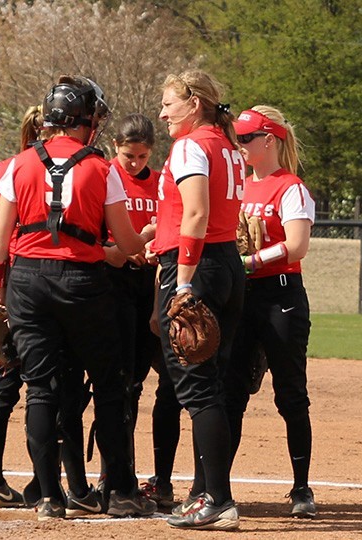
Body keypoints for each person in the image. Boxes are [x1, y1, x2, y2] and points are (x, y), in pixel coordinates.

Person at [0, 75, 157, 520]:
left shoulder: (19, 164)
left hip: (26, 281)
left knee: (41, 389)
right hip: (84, 282)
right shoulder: (101, 169)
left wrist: (1, 295)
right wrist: (142, 239)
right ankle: (119, 492)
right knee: (108, 385)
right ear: (86, 121)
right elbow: (127, 243)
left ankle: (48, 497)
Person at [152, 69, 246, 531]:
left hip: (199, 264)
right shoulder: (227, 145)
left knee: (196, 386)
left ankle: (218, 499)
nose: (163, 111)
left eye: (169, 102)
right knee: (214, 381)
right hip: (228, 262)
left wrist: (183, 280)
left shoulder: (192, 145)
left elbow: (196, 212)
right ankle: (204, 490)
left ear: (193, 103)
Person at [225, 106, 317, 518]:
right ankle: (218, 489)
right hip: (242, 298)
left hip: (282, 297)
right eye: (238, 139)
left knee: (291, 395)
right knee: (231, 395)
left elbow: (297, 247)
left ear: (270, 140)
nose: (240, 145)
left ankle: (301, 489)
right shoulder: (239, 186)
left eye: (247, 138)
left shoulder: (291, 187)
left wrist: (250, 261)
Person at [99, 113, 180, 509]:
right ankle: (113, 475)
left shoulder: (161, 179)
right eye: (129, 155)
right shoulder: (105, 175)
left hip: (151, 281)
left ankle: (159, 481)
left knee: (166, 383)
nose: (135, 163)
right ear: (116, 146)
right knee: (121, 384)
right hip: (114, 282)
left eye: (142, 155)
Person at [0, 105, 42, 509]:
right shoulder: (72, 166)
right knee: (47, 386)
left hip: (9, 281)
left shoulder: (3, 169)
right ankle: (43, 481)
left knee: (1, 383)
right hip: (47, 281)